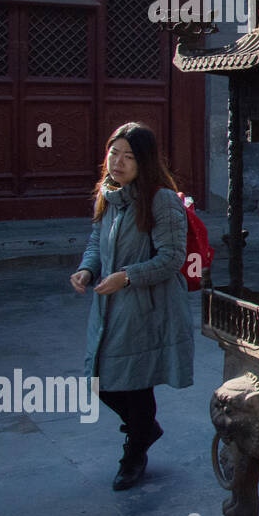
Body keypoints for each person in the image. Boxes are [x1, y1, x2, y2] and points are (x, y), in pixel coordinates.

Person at [70, 123, 193, 490]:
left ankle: (134, 452)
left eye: (129, 156)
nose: (118, 162)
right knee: (100, 380)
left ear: (145, 162)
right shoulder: (109, 195)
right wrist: (86, 269)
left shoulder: (160, 200)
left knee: (135, 382)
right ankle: (145, 430)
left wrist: (126, 277)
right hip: (111, 303)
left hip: (147, 305)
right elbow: (97, 240)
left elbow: (173, 258)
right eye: (114, 153)